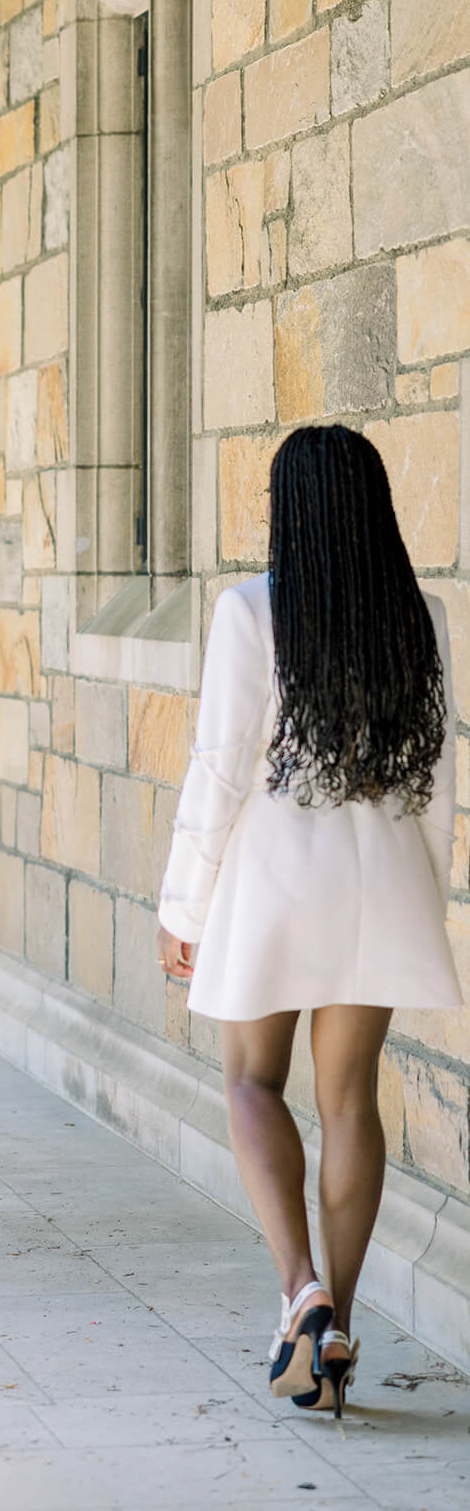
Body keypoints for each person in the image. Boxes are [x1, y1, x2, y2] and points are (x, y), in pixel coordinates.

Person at [156, 424, 461, 1418]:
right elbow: (437, 784)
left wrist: (180, 904)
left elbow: (218, 768)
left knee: (249, 1080)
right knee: (349, 1103)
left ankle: (297, 1289)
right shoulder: (419, 616)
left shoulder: (247, 611)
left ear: (288, 509)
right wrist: (428, 894)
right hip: (382, 885)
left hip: (272, 883)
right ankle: (339, 1321)